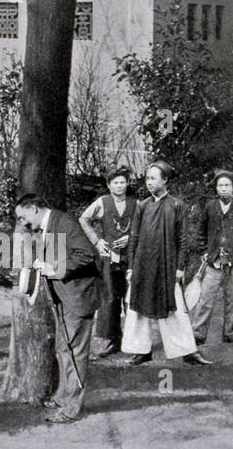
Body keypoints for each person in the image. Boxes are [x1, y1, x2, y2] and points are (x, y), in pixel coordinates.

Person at [16, 194, 102, 424]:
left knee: (74, 351)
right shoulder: (44, 226)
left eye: (23, 216)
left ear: (34, 208)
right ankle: (64, 396)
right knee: (63, 347)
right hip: (64, 296)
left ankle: (72, 408)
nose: (23, 222)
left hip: (78, 296)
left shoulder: (63, 222)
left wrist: (53, 268)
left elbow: (87, 255)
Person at [121, 161, 212, 365]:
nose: (149, 182)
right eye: (147, 178)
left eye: (153, 178)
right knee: (138, 308)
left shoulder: (177, 205)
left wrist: (180, 267)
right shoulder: (141, 206)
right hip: (143, 266)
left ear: (165, 180)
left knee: (174, 307)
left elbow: (183, 239)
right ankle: (141, 350)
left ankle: (188, 351)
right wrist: (130, 267)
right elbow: (133, 238)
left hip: (167, 265)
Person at [189, 169, 233, 346]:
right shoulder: (210, 206)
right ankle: (198, 333)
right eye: (220, 185)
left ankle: (230, 333)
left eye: (227, 185)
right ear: (216, 188)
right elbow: (200, 231)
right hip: (213, 262)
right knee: (206, 298)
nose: (224, 189)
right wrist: (204, 249)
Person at [78, 166, 136, 356]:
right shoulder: (102, 202)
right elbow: (83, 219)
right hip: (109, 257)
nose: (119, 186)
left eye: (122, 182)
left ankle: (134, 341)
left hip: (131, 257)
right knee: (110, 298)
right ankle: (113, 341)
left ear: (127, 184)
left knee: (131, 299)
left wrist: (131, 237)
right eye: (115, 183)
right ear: (109, 185)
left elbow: (143, 227)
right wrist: (97, 241)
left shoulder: (136, 204)